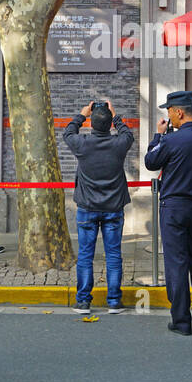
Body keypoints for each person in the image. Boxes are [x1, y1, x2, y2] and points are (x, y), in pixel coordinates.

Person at [144, 90, 192, 337]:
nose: (168, 116)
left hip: (173, 208)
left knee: (176, 264)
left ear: (179, 112)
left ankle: (181, 320)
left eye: (169, 111)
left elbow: (150, 162)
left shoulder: (170, 141)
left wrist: (158, 134)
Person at [62, 98, 134, 315]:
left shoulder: (82, 144)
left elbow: (67, 133)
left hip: (87, 207)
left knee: (85, 255)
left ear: (91, 124)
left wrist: (81, 114)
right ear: (110, 123)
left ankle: (83, 301)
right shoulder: (119, 144)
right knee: (114, 254)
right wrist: (116, 115)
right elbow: (127, 133)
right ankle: (114, 301)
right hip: (113, 207)